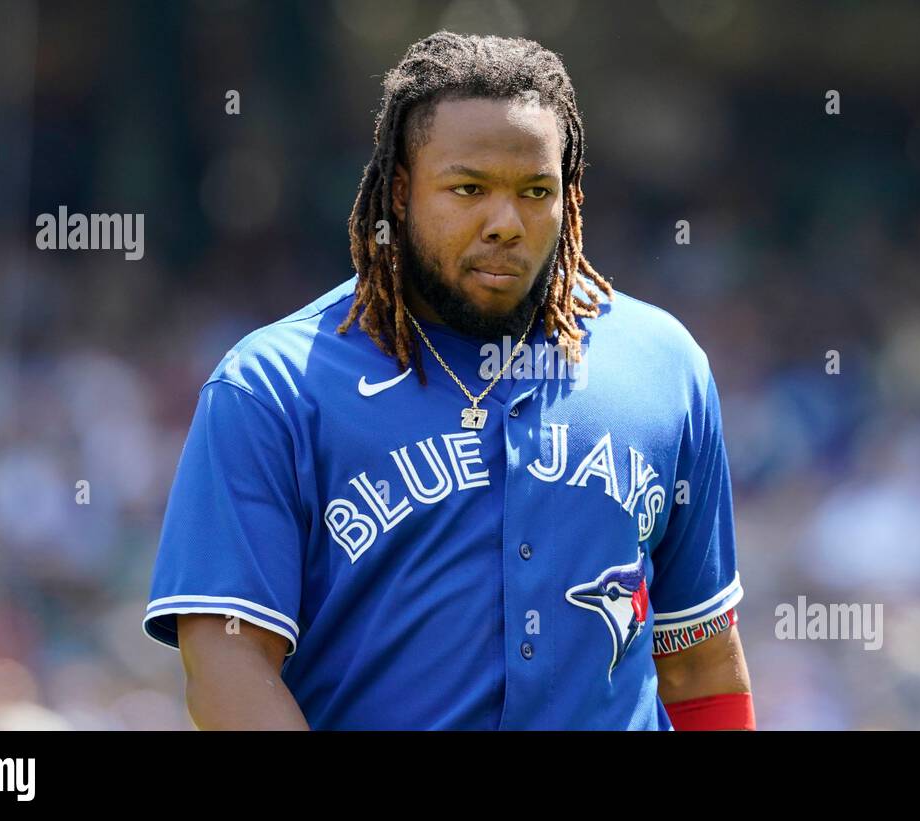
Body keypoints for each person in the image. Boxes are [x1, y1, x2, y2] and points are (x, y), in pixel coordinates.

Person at [142, 31, 753, 730]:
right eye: (468, 189)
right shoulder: (272, 387)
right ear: (399, 192)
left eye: (535, 192)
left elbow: (698, 655)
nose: (505, 222)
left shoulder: (663, 364)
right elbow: (227, 665)